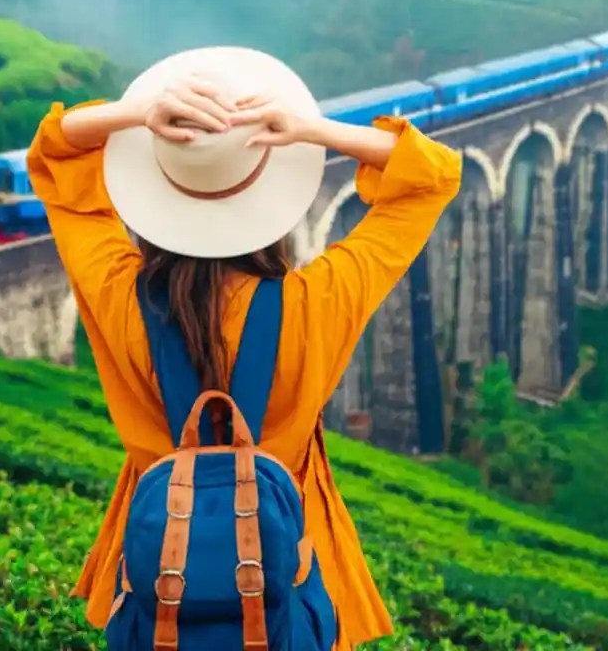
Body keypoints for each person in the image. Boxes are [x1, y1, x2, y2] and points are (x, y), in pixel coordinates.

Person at [26, 46, 462, 649]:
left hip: (163, 587)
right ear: (272, 202)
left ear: (154, 193)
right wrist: (312, 129)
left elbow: (54, 156)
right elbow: (433, 176)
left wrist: (138, 114)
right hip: (286, 580)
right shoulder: (315, 305)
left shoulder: (114, 291)